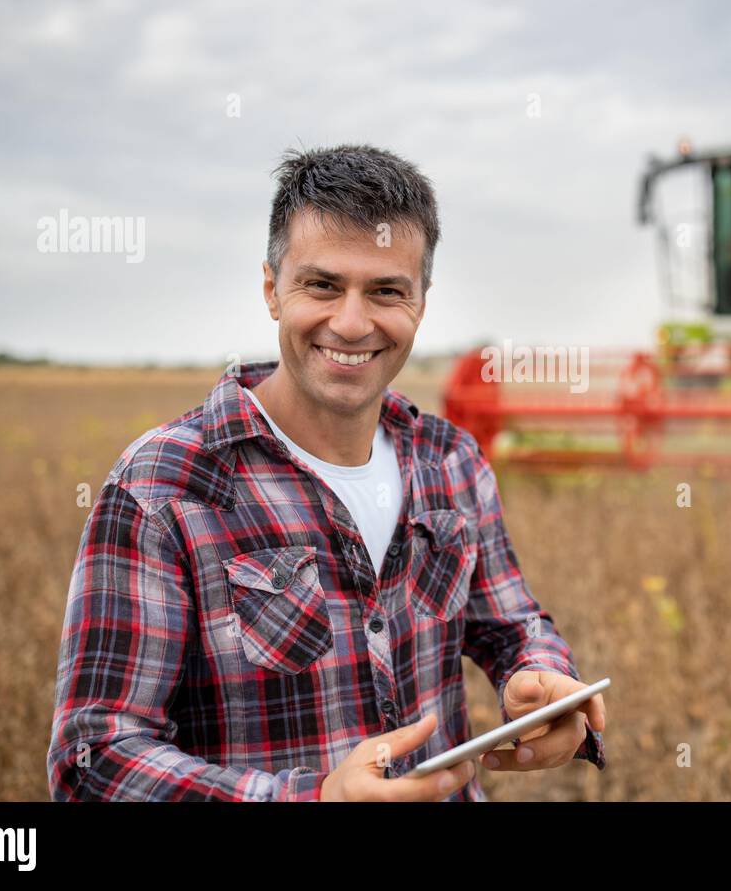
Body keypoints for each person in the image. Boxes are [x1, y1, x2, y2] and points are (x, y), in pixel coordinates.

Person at [46, 144, 607, 801]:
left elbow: (511, 622)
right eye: (322, 285)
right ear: (271, 290)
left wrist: (540, 678)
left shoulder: (450, 460)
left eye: (386, 291)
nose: (350, 322)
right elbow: (94, 758)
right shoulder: (162, 485)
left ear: (421, 304)